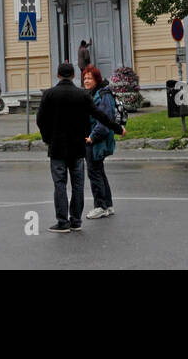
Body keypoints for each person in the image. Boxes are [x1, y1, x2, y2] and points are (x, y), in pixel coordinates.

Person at [36, 62, 124, 233]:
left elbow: (40, 120)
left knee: (60, 183)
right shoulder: (82, 95)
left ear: (57, 75)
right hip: (78, 147)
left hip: (57, 148)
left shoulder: (49, 95)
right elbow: (100, 115)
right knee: (77, 184)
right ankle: (76, 220)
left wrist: (48, 138)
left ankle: (62, 222)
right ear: (74, 76)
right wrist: (118, 128)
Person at [82, 66, 117, 219]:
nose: (86, 81)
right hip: (95, 138)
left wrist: (92, 137)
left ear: (97, 79)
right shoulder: (94, 93)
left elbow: (104, 119)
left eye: (89, 78)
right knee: (99, 172)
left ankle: (100, 206)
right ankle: (107, 205)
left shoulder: (103, 94)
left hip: (97, 140)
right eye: (84, 78)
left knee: (94, 173)